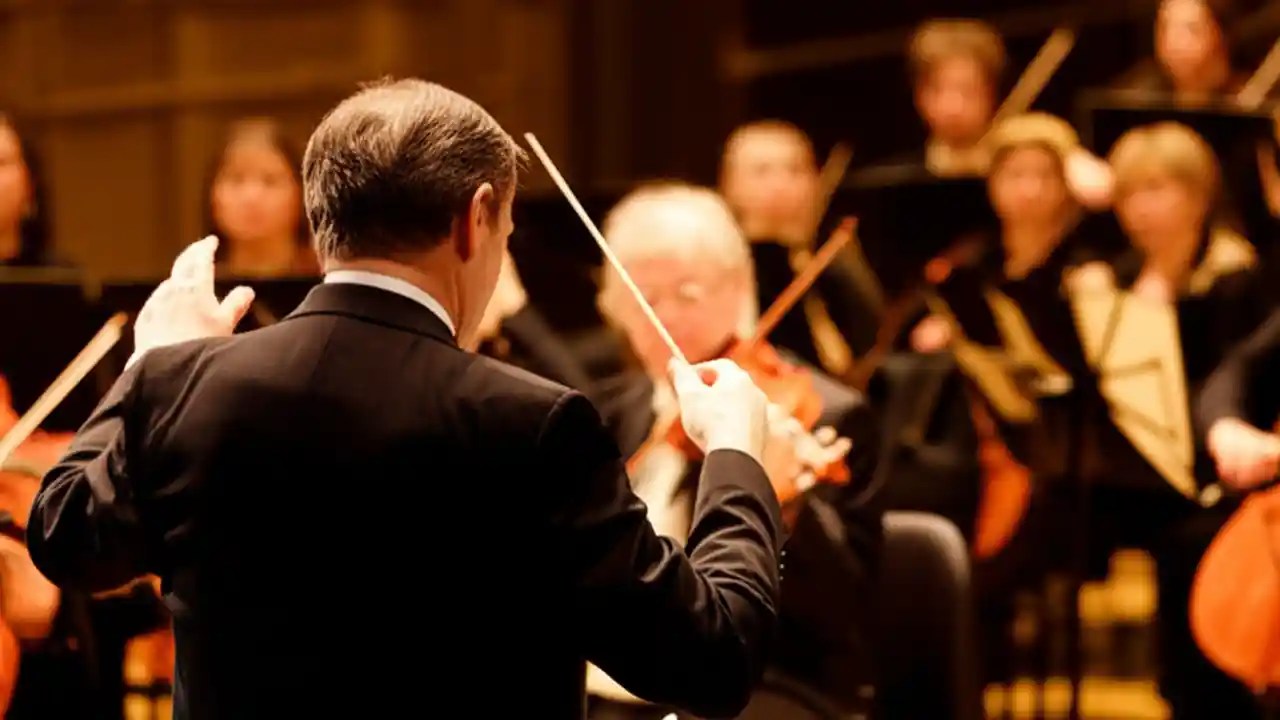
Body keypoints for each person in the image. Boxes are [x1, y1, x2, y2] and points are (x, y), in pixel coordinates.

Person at [24, 79, 789, 720]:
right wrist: (733, 454)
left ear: (323, 221)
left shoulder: (180, 387)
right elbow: (710, 663)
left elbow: (64, 539)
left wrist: (150, 364)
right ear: (475, 217)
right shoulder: (533, 425)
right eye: (507, 230)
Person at [586, 183, 880, 719]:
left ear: (740, 290)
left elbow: (845, 613)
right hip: (616, 685)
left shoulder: (827, 412)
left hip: (767, 685)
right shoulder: (605, 415)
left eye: (688, 294)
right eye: (645, 299)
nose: (666, 317)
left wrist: (786, 505)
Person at [204, 118, 318, 277]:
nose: (252, 197)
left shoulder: (329, 285)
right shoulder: (192, 289)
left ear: (301, 193)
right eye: (236, 180)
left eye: (270, 181)